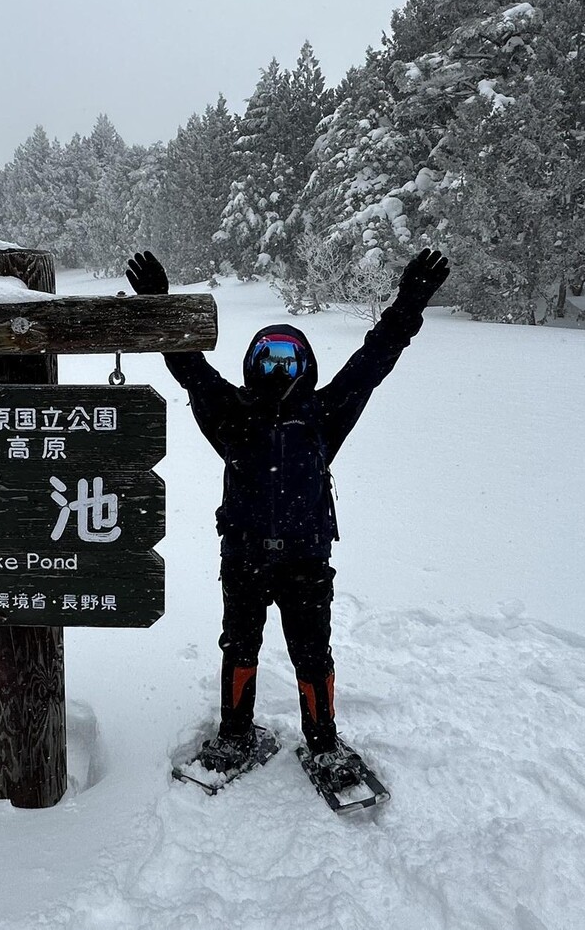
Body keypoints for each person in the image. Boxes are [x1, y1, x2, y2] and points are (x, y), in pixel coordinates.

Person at [125, 248, 450, 786]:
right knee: (239, 646)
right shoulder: (230, 412)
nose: (279, 369)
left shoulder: (326, 413)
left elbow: (375, 359)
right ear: (253, 364)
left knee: (311, 654)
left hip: (306, 561)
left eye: (289, 358)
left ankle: (324, 744)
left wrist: (408, 304)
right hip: (244, 557)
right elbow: (188, 366)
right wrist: (159, 305)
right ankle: (236, 736)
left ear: (307, 365)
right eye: (269, 357)